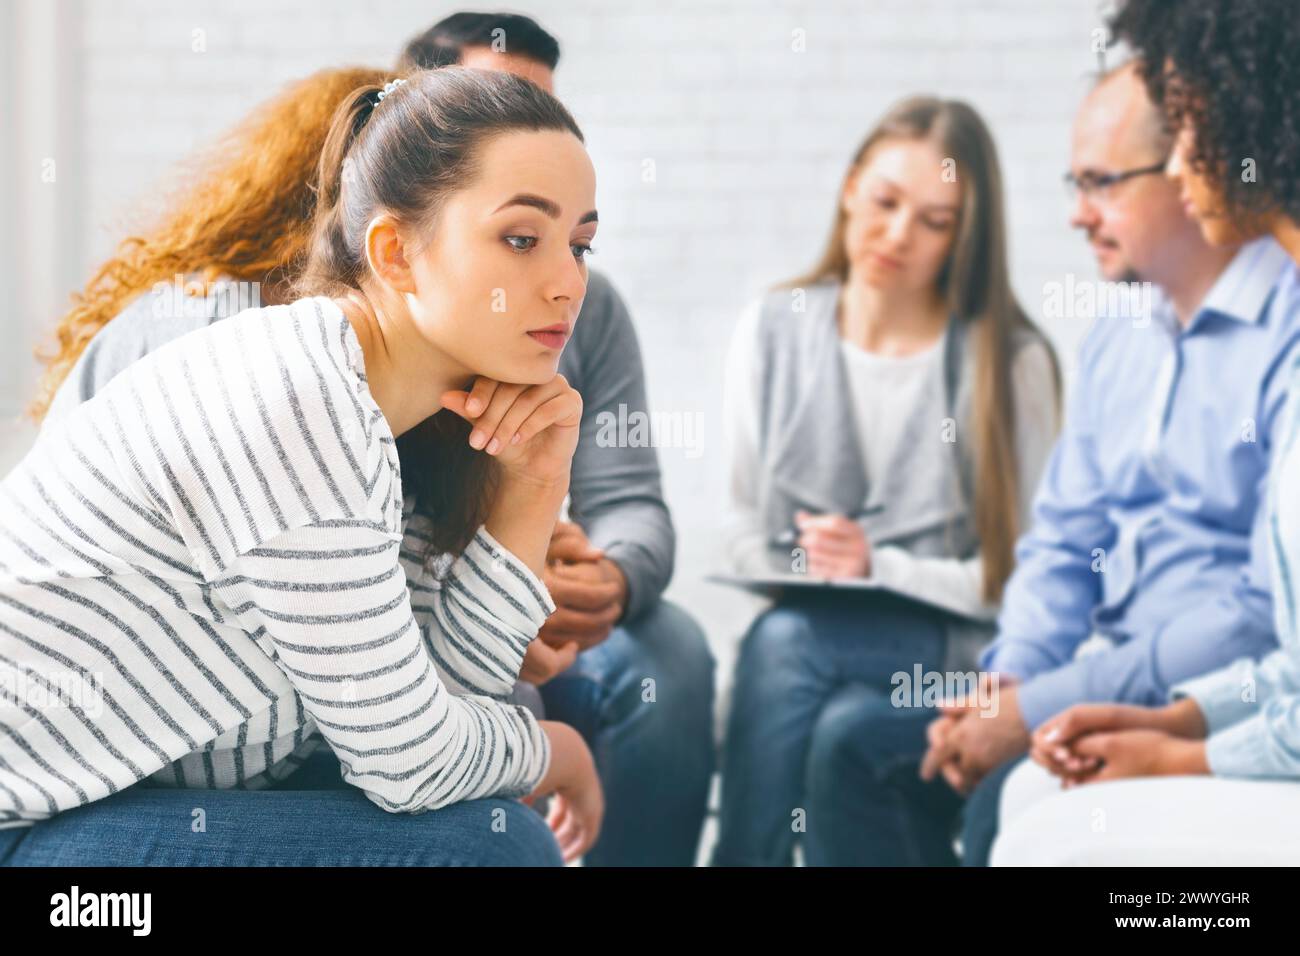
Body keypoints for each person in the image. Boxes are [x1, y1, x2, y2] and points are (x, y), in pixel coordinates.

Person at [35, 11, 716, 867]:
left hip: (141, 803)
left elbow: (449, 689)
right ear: (393, 253)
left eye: (580, 243)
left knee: (493, 832)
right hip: (41, 829)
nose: (566, 283)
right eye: (520, 238)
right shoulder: (296, 396)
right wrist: (557, 752)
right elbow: (407, 764)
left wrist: (535, 484)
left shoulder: (405, 414)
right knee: (497, 848)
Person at [710, 95, 1062, 866]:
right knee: (830, 705)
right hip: (807, 633)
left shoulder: (1009, 363)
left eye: (935, 221)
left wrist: (881, 568)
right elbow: (738, 526)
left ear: (965, 236)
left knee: (786, 647)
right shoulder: (772, 328)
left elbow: (1028, 582)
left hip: (950, 650)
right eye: (886, 202)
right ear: (849, 189)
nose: (899, 234)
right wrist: (810, 567)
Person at [993, 0, 1300, 866]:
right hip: (1184, 690)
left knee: (1036, 827)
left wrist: (1181, 750)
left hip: (1216, 699)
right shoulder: (1116, 338)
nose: (1184, 150)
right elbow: (1061, 542)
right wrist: (1170, 723)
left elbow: (1266, 623)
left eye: (1189, 119)